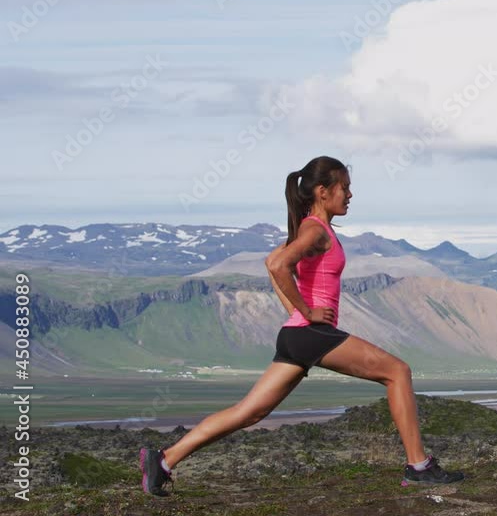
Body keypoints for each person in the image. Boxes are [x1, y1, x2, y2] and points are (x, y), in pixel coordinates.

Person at [139, 156, 464, 496]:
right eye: (345, 188)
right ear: (323, 191)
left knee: (249, 413)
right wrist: (307, 312)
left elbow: (270, 263)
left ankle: (163, 461)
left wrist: (296, 312)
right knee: (398, 371)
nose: (350, 195)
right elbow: (279, 264)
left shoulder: (311, 228)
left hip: (297, 335)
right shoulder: (314, 230)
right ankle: (418, 466)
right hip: (310, 334)